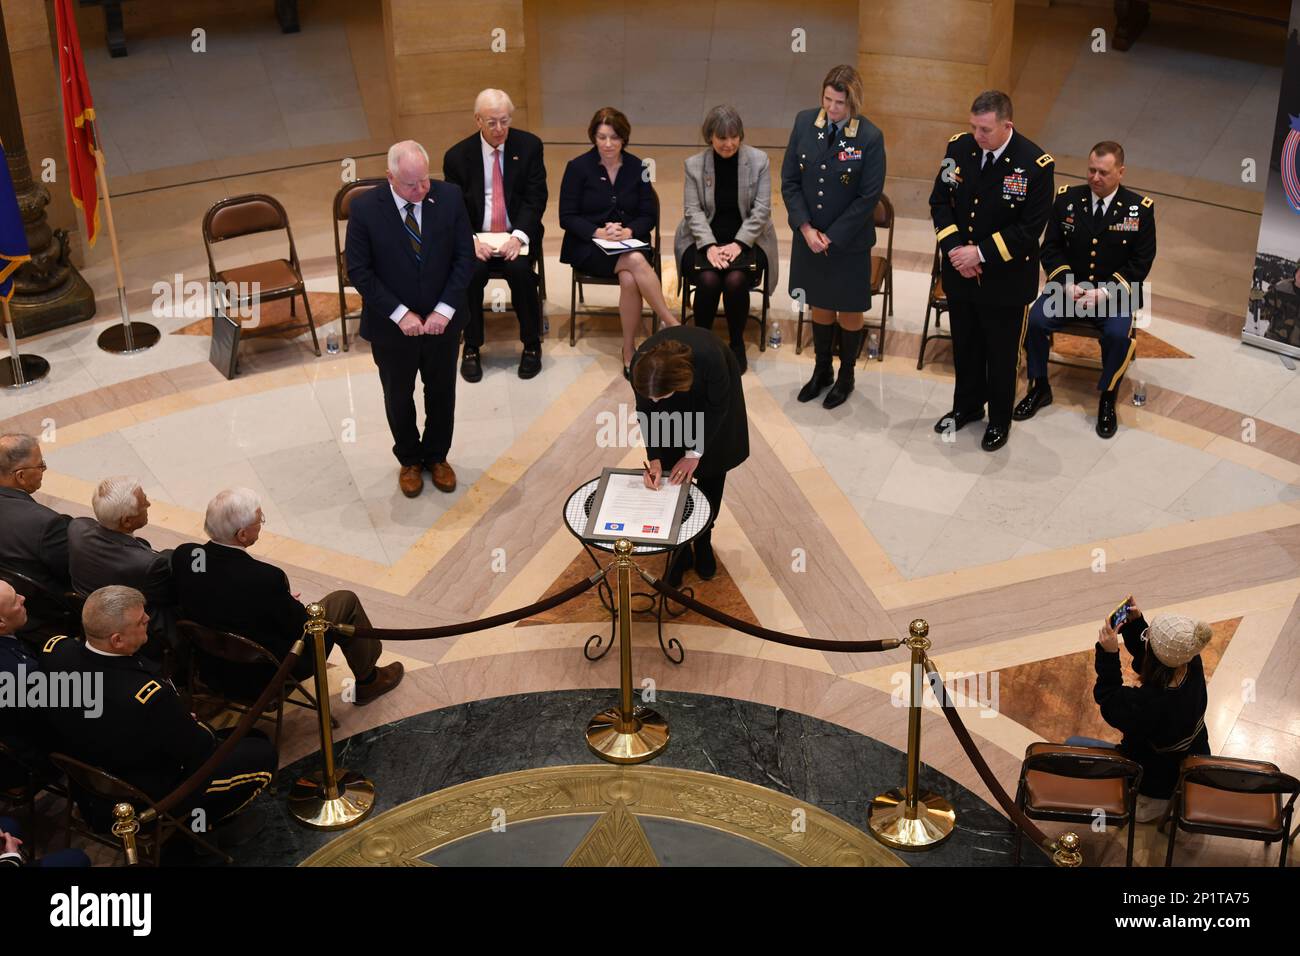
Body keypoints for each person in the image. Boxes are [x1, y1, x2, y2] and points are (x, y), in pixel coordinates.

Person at [41, 586, 277, 834]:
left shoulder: (55, 652)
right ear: (117, 640)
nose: (147, 620)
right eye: (140, 622)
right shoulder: (147, 695)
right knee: (262, 754)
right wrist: (185, 721)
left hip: (90, 784)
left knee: (248, 738)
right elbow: (199, 748)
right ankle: (197, 825)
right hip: (148, 797)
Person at [170, 488, 402, 704]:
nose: (261, 525)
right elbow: (301, 628)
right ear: (242, 534)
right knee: (345, 600)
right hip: (266, 675)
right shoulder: (265, 578)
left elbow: (216, 583)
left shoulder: (187, 555)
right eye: (258, 521)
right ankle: (369, 680)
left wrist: (273, 600)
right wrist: (287, 601)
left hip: (212, 668)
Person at [346, 140, 476, 498]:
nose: (420, 190)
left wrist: (444, 311)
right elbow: (359, 270)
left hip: (442, 324)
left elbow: (465, 257)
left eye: (424, 181)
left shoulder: (449, 197)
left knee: (441, 392)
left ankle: (437, 457)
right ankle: (409, 460)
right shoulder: (364, 209)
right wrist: (400, 314)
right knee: (398, 395)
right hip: (392, 328)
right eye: (410, 184)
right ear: (390, 177)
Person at [929, 90, 1054, 451]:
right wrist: (955, 251)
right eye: (972, 127)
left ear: (1006, 126)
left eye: (984, 130)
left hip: (1005, 281)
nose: (977, 136)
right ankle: (966, 406)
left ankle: (999, 419)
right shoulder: (959, 149)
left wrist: (979, 254)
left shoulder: (1035, 165)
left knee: (1000, 354)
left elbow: (1029, 230)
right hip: (960, 273)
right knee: (966, 346)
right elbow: (940, 201)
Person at [1014, 142, 1156, 438]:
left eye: (1103, 172)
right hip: (1070, 290)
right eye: (1091, 170)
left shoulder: (1139, 209)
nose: (1095, 177)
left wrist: (1104, 292)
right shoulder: (1067, 199)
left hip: (1113, 295)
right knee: (1036, 322)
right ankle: (1039, 386)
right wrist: (1065, 281)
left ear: (1121, 172)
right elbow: (1050, 246)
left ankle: (1107, 396)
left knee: (1118, 336)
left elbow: (1141, 261)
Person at [781, 64, 886, 409]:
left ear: (853, 102)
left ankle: (847, 375)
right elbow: (790, 182)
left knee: (849, 309)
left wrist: (832, 236)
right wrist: (806, 229)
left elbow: (867, 197)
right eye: (827, 99)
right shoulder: (804, 123)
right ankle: (822, 369)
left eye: (839, 103)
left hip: (848, 242)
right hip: (809, 236)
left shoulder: (869, 137)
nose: (832, 108)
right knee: (820, 303)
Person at [560, 107, 678, 378]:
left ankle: (628, 350)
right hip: (589, 247)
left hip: (627, 243)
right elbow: (567, 217)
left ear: (624, 138)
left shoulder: (640, 167)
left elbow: (648, 214)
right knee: (636, 260)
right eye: (602, 137)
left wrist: (628, 232)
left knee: (629, 278)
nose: (608, 144)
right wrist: (598, 232)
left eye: (614, 137)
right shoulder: (577, 168)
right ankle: (670, 322)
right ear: (594, 137)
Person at [1069, 600, 1212, 823]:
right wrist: (1136, 625)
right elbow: (1154, 661)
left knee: (1072, 743)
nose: (1145, 639)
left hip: (1153, 787)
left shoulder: (1148, 703)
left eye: (1147, 636)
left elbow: (1109, 699)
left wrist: (1108, 654)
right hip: (1190, 762)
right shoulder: (1191, 661)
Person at [630, 325, 749, 587]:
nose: (654, 401)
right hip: (672, 403)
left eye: (658, 397)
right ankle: (679, 548)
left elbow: (718, 407)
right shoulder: (642, 367)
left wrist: (694, 453)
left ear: (677, 383)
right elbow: (647, 412)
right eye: (650, 397)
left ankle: (704, 539)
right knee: (674, 475)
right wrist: (656, 459)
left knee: (710, 471)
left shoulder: (711, 359)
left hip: (715, 409)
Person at [443, 88, 548, 382]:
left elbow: (535, 198)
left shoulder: (529, 147)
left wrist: (519, 236)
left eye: (505, 120)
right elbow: (455, 209)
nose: (500, 129)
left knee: (520, 271)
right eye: (492, 122)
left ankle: (531, 344)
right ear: (478, 120)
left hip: (517, 234)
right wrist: (471, 241)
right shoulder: (457, 157)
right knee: (471, 272)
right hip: (477, 237)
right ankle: (472, 347)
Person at [674, 105, 779, 374]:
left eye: (734, 137)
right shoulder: (694, 165)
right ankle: (701, 346)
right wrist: (709, 246)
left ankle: (736, 344)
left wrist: (738, 244)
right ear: (710, 137)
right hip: (701, 239)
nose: (729, 144)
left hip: (748, 240)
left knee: (735, 280)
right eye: (722, 138)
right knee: (708, 281)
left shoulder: (759, 161)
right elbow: (692, 211)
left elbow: (762, 210)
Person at [68, 476, 176, 656]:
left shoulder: (76, 528)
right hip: (133, 630)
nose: (149, 504)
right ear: (126, 521)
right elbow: (169, 597)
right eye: (144, 503)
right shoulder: (148, 564)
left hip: (86, 611)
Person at [0, 435, 72, 626]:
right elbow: (70, 574)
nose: (43, 471)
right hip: (49, 613)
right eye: (40, 466)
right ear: (21, 476)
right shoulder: (46, 524)